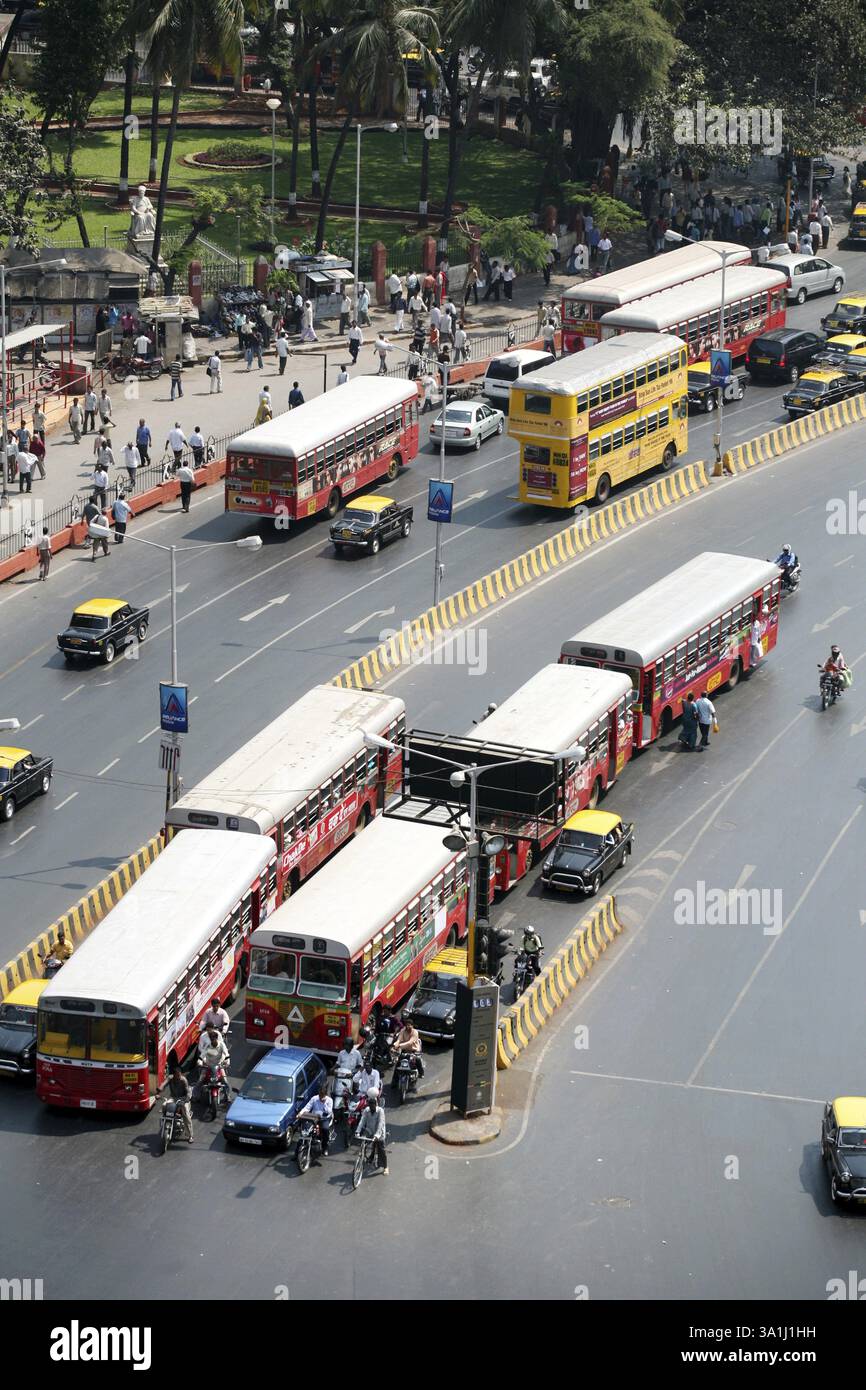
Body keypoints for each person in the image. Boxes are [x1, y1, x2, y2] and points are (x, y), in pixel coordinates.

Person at [354, 1086, 388, 1174]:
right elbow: (362, 1121)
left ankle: (385, 1167)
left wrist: (376, 1135)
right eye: (370, 1106)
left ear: (376, 1105)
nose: (371, 1108)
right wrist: (357, 1131)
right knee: (363, 1142)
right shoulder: (366, 1110)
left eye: (373, 1106)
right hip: (369, 1130)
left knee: (381, 1149)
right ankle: (363, 1157)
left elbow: (381, 1124)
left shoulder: (380, 1111)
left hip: (379, 1132)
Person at [297, 1083, 334, 1156]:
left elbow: (329, 1111)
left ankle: (325, 1148)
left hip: (324, 1119)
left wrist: (324, 1104)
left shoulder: (329, 1100)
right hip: (314, 1118)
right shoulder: (314, 1098)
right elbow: (307, 1107)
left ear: (325, 1095)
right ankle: (296, 1154)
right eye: (320, 1095)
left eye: (322, 1096)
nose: (320, 1097)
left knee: (325, 1129)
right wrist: (300, 1113)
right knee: (304, 1132)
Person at [168, 1067, 194, 1142]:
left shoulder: (183, 1080)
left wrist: (186, 1100)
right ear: (174, 1075)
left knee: (186, 1114)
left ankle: (190, 1135)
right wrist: (158, 1091)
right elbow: (163, 1084)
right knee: (164, 1106)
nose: (179, 1077)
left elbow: (188, 1092)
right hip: (173, 1097)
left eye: (179, 1075)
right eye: (177, 1076)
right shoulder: (170, 1078)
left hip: (183, 1098)